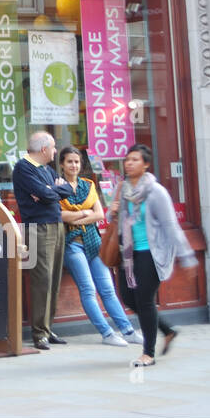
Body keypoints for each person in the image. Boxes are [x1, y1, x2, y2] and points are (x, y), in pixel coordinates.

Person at [108, 144, 197, 367]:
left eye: (135, 160)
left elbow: (171, 226)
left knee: (145, 300)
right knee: (128, 298)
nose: (129, 163)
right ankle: (167, 331)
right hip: (128, 254)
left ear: (146, 164)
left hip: (151, 252)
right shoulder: (123, 189)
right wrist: (114, 211)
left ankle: (148, 353)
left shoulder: (156, 192)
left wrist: (187, 256)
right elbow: (115, 221)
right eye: (127, 159)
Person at [56, 146, 140, 347]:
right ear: (62, 164)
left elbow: (100, 215)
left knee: (108, 289)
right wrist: (86, 214)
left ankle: (127, 330)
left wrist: (77, 216)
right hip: (72, 245)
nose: (74, 165)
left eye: (77, 162)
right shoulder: (57, 188)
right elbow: (59, 216)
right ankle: (106, 333)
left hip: (94, 243)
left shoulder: (88, 185)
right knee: (88, 289)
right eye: (69, 162)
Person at [13, 130, 70, 351]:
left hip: (56, 225)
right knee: (42, 280)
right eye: (54, 147)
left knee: (54, 278)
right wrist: (51, 191)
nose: (56, 151)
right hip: (38, 227)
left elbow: (67, 189)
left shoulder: (46, 169)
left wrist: (52, 190)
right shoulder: (24, 167)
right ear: (44, 149)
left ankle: (47, 327)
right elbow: (45, 194)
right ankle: (39, 333)